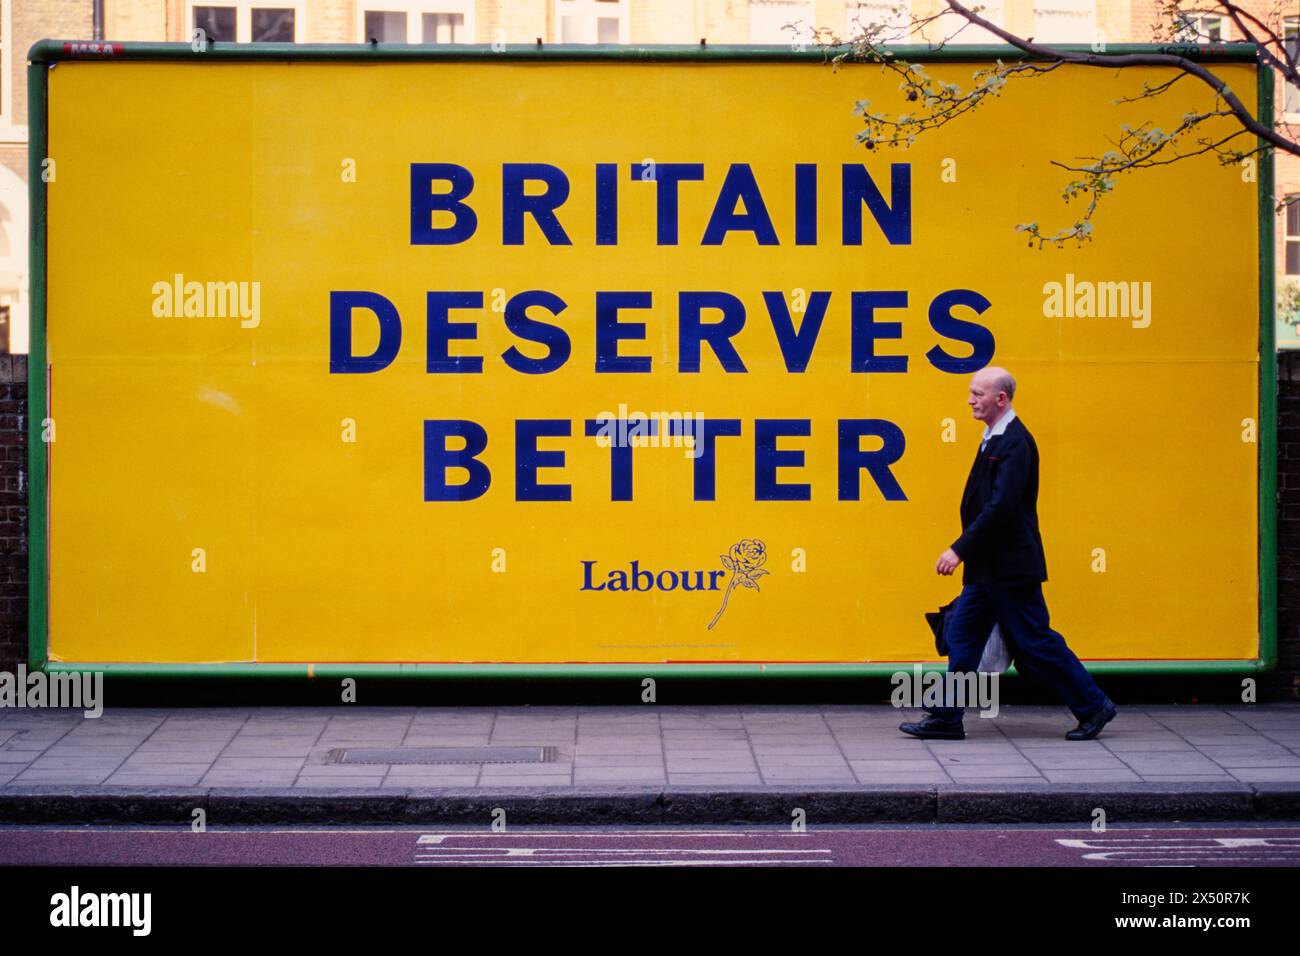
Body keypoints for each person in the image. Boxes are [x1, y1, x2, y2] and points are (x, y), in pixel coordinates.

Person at [899, 366, 1118, 741]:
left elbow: (1001, 508)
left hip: (1010, 567)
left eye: (977, 394)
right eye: (970, 393)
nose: (970, 400)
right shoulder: (995, 438)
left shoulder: (1015, 442)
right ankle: (947, 718)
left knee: (1036, 640)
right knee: (963, 638)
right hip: (988, 569)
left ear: (1001, 399)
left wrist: (958, 549)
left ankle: (1094, 705)